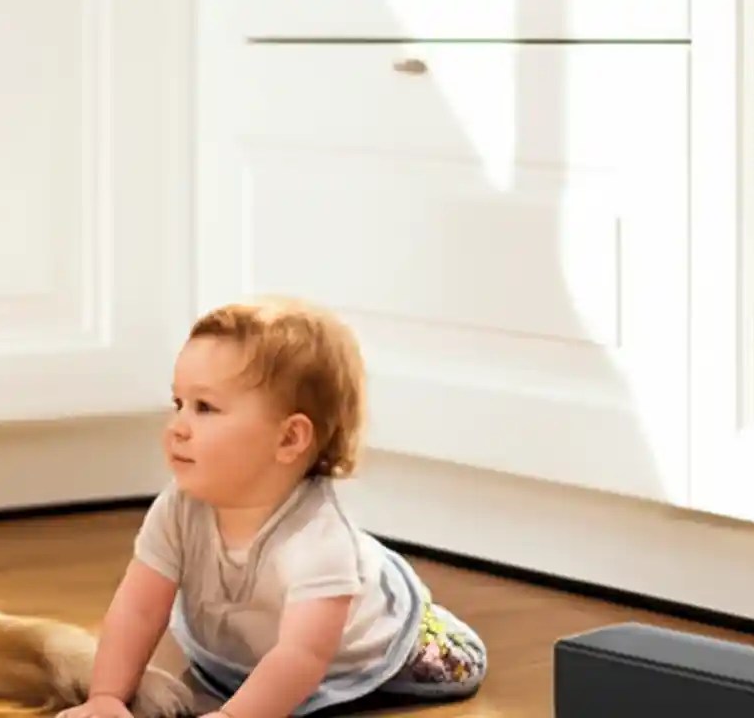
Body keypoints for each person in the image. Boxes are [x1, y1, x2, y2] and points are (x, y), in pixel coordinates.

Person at [57, 296, 486, 718]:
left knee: (457, 665)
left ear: (289, 439)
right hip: (250, 640)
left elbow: (302, 656)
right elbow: (138, 608)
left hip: (367, 644)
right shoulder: (180, 507)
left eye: (204, 407)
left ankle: (403, 604)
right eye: (178, 404)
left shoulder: (317, 539)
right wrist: (106, 696)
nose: (177, 427)